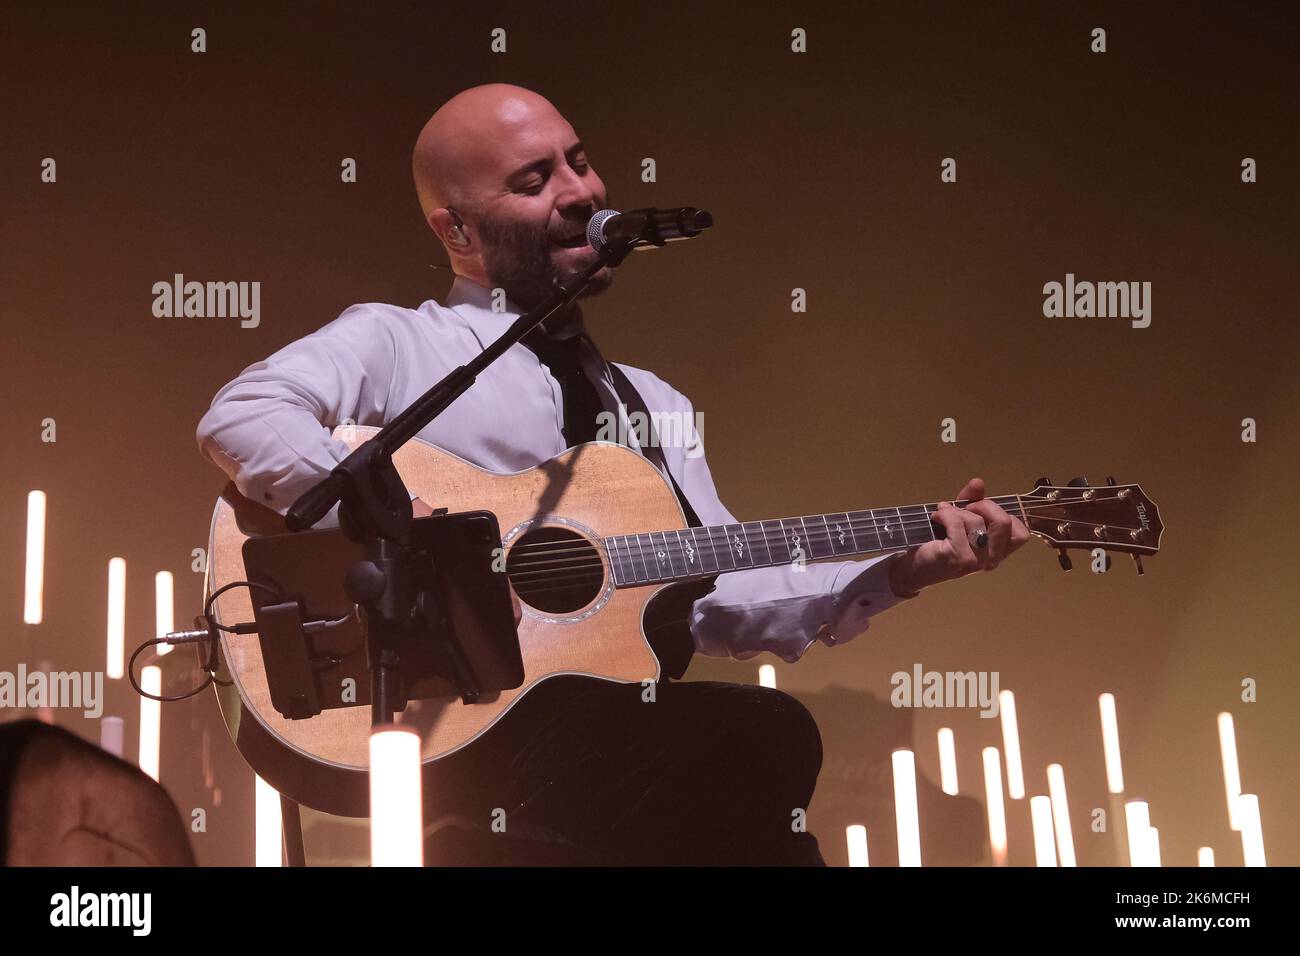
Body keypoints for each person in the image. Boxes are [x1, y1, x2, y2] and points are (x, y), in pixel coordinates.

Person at [196, 83, 1029, 865]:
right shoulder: (397, 344)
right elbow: (243, 417)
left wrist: (906, 566)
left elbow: (721, 593)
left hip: (610, 750)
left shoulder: (654, 404)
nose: (582, 190)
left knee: (762, 752)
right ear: (458, 232)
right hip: (448, 724)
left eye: (579, 160)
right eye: (535, 178)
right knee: (760, 737)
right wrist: (397, 519)